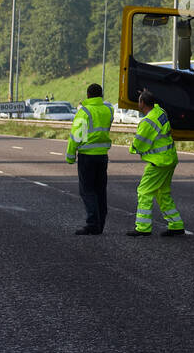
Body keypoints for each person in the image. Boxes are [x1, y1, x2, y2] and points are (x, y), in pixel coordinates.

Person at [127, 89, 184, 237]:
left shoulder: (147, 122)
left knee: (144, 192)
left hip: (158, 163)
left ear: (142, 103)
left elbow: (139, 144)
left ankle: (143, 228)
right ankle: (176, 224)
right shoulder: (160, 112)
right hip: (169, 159)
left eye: (139, 100)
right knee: (162, 193)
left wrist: (132, 148)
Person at [66, 83, 114, 235]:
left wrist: (70, 155)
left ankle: (92, 223)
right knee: (100, 190)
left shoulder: (84, 112)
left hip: (87, 157)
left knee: (87, 190)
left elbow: (76, 136)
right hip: (102, 156)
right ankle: (100, 224)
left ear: (87, 96)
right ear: (101, 95)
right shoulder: (108, 110)